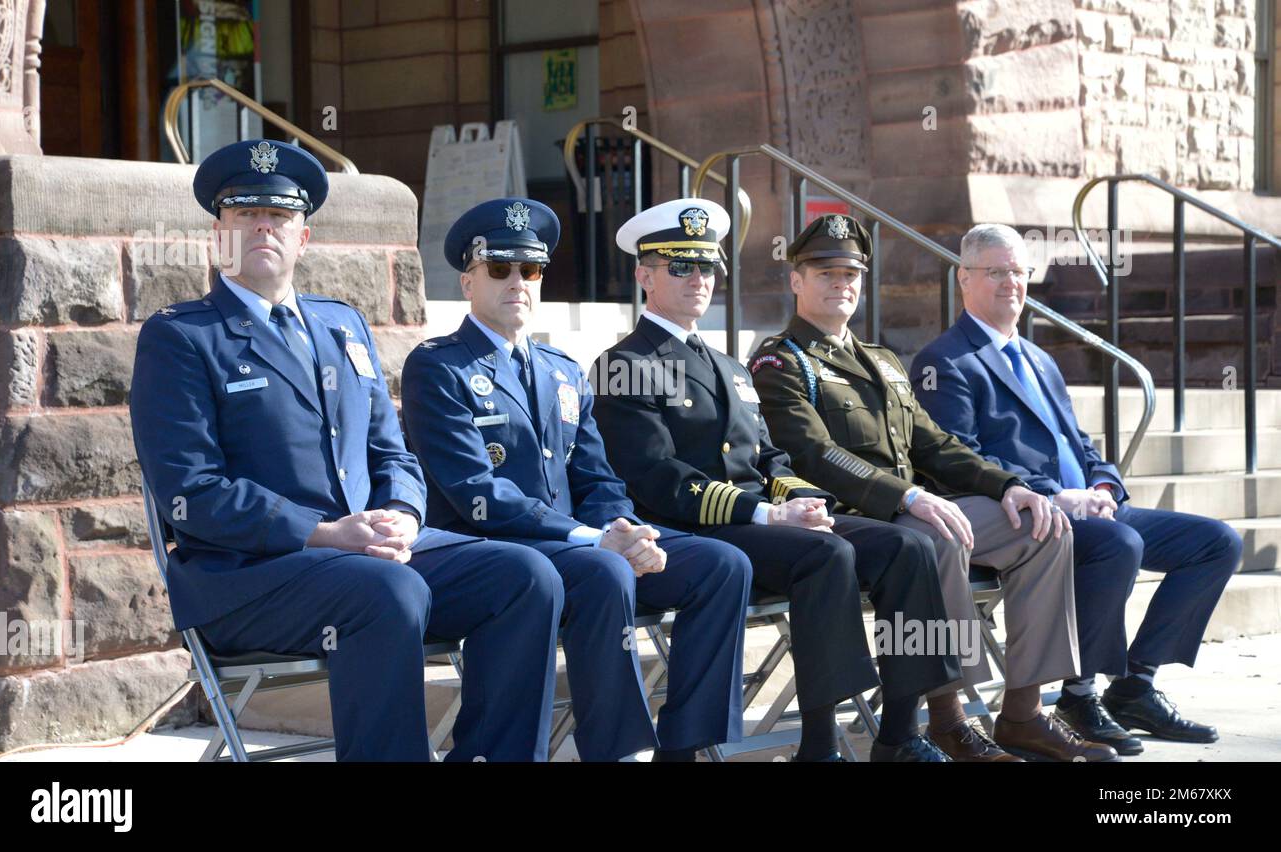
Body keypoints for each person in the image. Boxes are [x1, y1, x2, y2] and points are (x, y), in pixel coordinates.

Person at [130, 141, 562, 761]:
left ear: (303, 238)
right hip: (248, 574)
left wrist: (404, 517)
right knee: (389, 593)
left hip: (368, 553)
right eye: (244, 213)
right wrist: (329, 533)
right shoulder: (181, 336)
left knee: (527, 577)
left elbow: (394, 455)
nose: (262, 226)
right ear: (216, 236)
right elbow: (191, 494)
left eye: (279, 216)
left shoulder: (343, 325)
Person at [590, 198, 962, 762]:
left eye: (707, 267)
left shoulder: (730, 365)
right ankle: (820, 746)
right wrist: (766, 513)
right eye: (680, 267)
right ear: (645, 276)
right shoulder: (626, 363)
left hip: (767, 521)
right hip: (694, 529)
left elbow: (770, 458)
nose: (699, 280)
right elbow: (656, 477)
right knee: (825, 556)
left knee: (907, 546)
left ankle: (901, 733)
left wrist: (804, 501)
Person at [748, 214, 1118, 762]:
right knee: (939, 535)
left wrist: (1010, 486)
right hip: (857, 516)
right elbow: (812, 454)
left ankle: (1023, 713)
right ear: (796, 281)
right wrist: (908, 497)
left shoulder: (882, 360)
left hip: (913, 507)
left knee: (1044, 525)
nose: (840, 284)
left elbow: (937, 444)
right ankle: (949, 719)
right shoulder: (781, 360)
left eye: (850, 274)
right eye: (824, 273)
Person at [401, 197, 751, 762]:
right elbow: (475, 492)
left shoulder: (561, 368)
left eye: (531, 270)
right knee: (605, 569)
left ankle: (685, 747)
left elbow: (597, 475)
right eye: (500, 269)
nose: (518, 281)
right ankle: (615, 751)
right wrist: (594, 539)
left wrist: (624, 526)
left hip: (579, 547)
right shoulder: (438, 366)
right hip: (494, 551)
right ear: (468, 282)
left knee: (721, 565)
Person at [911, 223, 1242, 750]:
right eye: (995, 271)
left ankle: (1135, 685)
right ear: (963, 279)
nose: (1010, 283)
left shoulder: (1039, 358)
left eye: (1019, 271)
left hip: (1088, 506)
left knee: (1216, 543)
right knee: (1119, 545)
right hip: (1027, 515)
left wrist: (1105, 483)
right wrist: (1050, 493)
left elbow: (1081, 444)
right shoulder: (944, 361)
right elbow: (957, 455)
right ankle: (1079, 695)